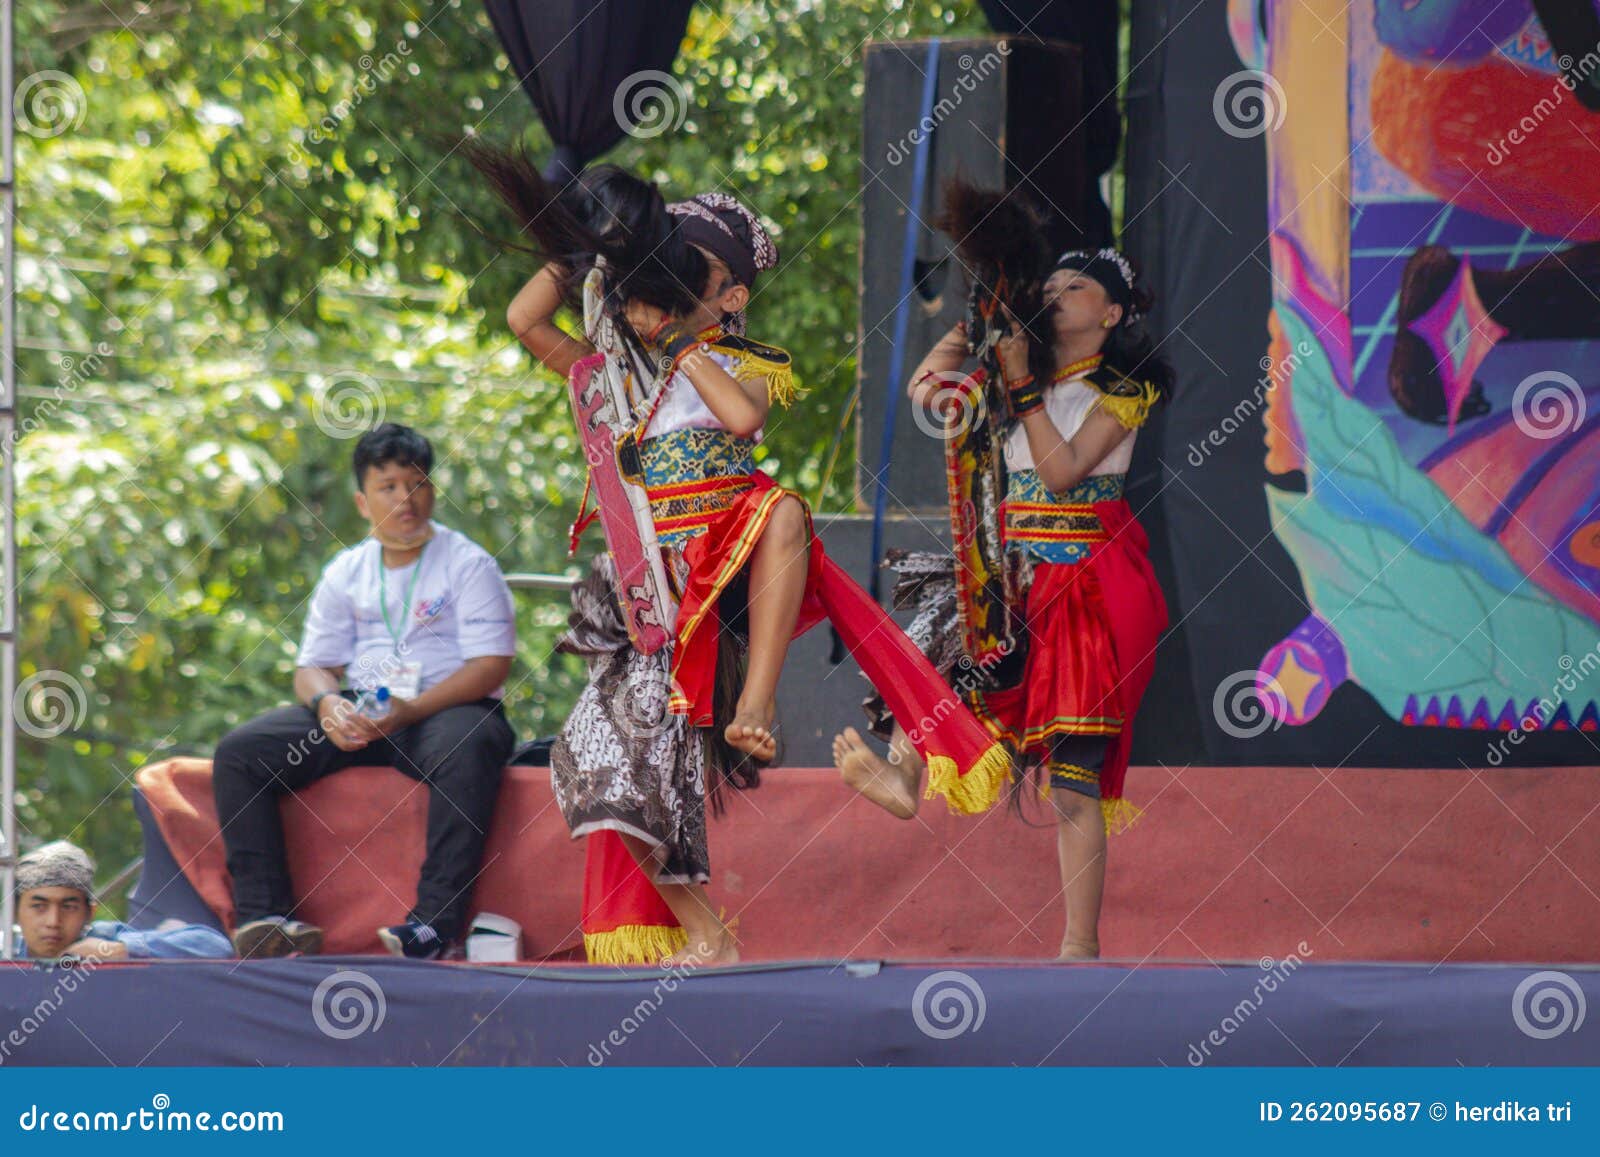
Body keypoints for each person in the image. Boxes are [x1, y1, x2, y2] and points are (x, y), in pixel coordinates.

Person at [472, 150, 1009, 964]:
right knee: (600, 764)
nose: (675, 278)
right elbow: (524, 319)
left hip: (734, 556)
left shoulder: (735, 360)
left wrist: (685, 341)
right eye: (666, 262)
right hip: (656, 592)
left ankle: (756, 705)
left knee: (784, 508)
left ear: (732, 297)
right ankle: (707, 933)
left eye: (699, 269)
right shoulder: (615, 374)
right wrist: (586, 244)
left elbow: (739, 416)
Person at [835, 188, 1171, 961]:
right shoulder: (1009, 377)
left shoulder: (1123, 392)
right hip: (1008, 574)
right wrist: (970, 329)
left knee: (1075, 780)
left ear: (1111, 314)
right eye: (1047, 287)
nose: (1056, 296)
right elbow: (927, 391)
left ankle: (1078, 944)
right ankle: (901, 778)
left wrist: (1020, 382)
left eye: (1074, 288)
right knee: (933, 642)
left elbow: (1058, 473)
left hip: (1081, 586)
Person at [212, 423, 517, 960]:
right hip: (365, 710)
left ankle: (431, 928)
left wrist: (414, 709)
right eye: (389, 486)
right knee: (240, 753)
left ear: (432, 491)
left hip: (441, 708)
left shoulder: (467, 563)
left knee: (470, 744)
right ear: (362, 500)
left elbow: (492, 664)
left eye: (416, 483)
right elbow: (312, 667)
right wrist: (326, 705)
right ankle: (268, 920)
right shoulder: (346, 570)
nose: (406, 498)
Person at [14, 840, 232, 960]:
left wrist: (118, 950)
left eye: (68, 907)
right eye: (39, 906)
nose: (53, 921)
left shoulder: (103, 939)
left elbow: (215, 946)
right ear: (15, 913)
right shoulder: (7, 949)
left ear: (90, 913)